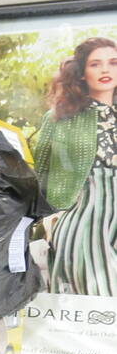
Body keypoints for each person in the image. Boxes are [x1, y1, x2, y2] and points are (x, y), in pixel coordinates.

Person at [31, 36, 117, 296]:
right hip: (84, 212)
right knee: (102, 293)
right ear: (81, 74)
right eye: (95, 64)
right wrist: (46, 218)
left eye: (113, 62)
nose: (105, 70)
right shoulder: (59, 118)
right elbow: (39, 173)